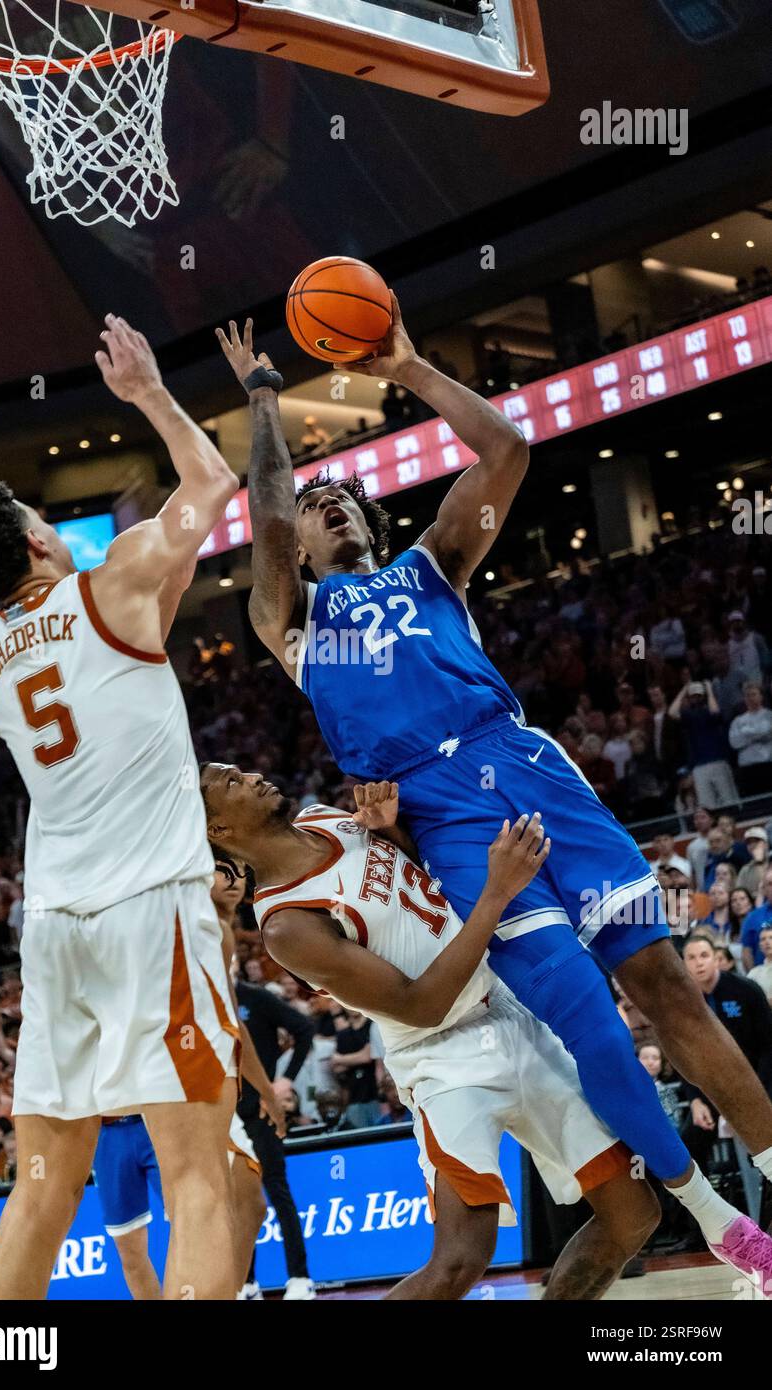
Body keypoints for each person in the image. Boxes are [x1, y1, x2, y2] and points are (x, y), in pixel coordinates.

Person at [217, 306, 772, 1247]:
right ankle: (724, 1227)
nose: (330, 509)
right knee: (589, 1017)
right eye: (316, 510)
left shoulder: (434, 567)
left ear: (372, 517)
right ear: (299, 549)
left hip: (530, 768)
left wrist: (407, 363)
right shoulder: (293, 620)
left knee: (664, 983)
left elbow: (507, 450)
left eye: (344, 499)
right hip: (447, 819)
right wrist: (265, 402)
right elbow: (267, 514)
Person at [201, 765, 772, 1295]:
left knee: (634, 1214)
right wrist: (497, 892)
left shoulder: (321, 819)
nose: (248, 775)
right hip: (440, 1055)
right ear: (220, 827)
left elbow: (415, 880)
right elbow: (419, 1004)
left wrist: (393, 828)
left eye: (240, 769)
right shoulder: (285, 924)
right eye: (228, 781)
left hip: (508, 1008)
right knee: (461, 1258)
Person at [0, 314, 241, 1300]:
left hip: (55, 928)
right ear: (38, 538)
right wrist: (151, 393)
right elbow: (212, 491)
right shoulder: (111, 588)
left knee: (40, 1188)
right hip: (147, 910)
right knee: (195, 1172)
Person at [215, 864, 317, 1302]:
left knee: (276, 1191)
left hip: (259, 1109)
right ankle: (247, 1282)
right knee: (238, 1199)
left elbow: (305, 1029)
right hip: (223, 1113)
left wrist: (283, 1082)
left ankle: (300, 1278)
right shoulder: (206, 1002)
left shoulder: (257, 999)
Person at [682, 934, 772, 1224]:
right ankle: (705, 1228)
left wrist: (752, 1099)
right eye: (691, 958)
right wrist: (695, 1099)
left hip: (759, 1086)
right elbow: (684, 1056)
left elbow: (769, 1048)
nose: (699, 963)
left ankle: (765, 1224)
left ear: (716, 957)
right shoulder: (684, 1003)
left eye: (704, 956)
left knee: (765, 1152)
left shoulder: (746, 991)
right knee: (687, 1149)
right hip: (713, 1092)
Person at [669, 681, 740, 810]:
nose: (696, 698)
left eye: (699, 695)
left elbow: (715, 712)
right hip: (699, 766)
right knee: (707, 805)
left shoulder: (710, 711)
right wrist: (684, 690)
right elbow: (672, 712)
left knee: (728, 800)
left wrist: (709, 691)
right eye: (693, 696)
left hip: (718, 761)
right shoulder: (688, 715)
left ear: (704, 696)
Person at [729, 683, 772, 797]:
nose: (750, 698)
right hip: (747, 769)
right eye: (747, 695)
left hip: (767, 764)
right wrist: (757, 734)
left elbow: (768, 734)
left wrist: (747, 735)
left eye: (753, 694)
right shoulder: (738, 721)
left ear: (761, 696)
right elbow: (735, 743)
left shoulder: (769, 716)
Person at [748, 926, 772, 1003]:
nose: (767, 942)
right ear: (760, 946)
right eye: (763, 939)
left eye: (771, 938)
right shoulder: (754, 973)